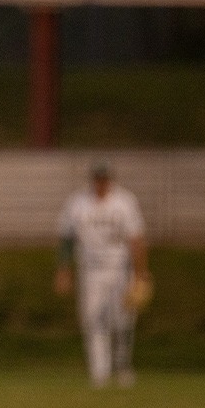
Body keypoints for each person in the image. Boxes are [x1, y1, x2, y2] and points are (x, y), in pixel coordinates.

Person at [55, 162, 150, 388]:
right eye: (98, 179)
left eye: (105, 179)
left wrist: (140, 273)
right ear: (92, 180)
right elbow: (67, 238)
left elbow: (136, 240)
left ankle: (123, 366)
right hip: (89, 271)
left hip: (119, 269)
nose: (101, 183)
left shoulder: (124, 202)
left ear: (111, 180)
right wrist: (63, 269)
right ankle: (100, 373)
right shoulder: (78, 203)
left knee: (122, 320)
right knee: (93, 320)